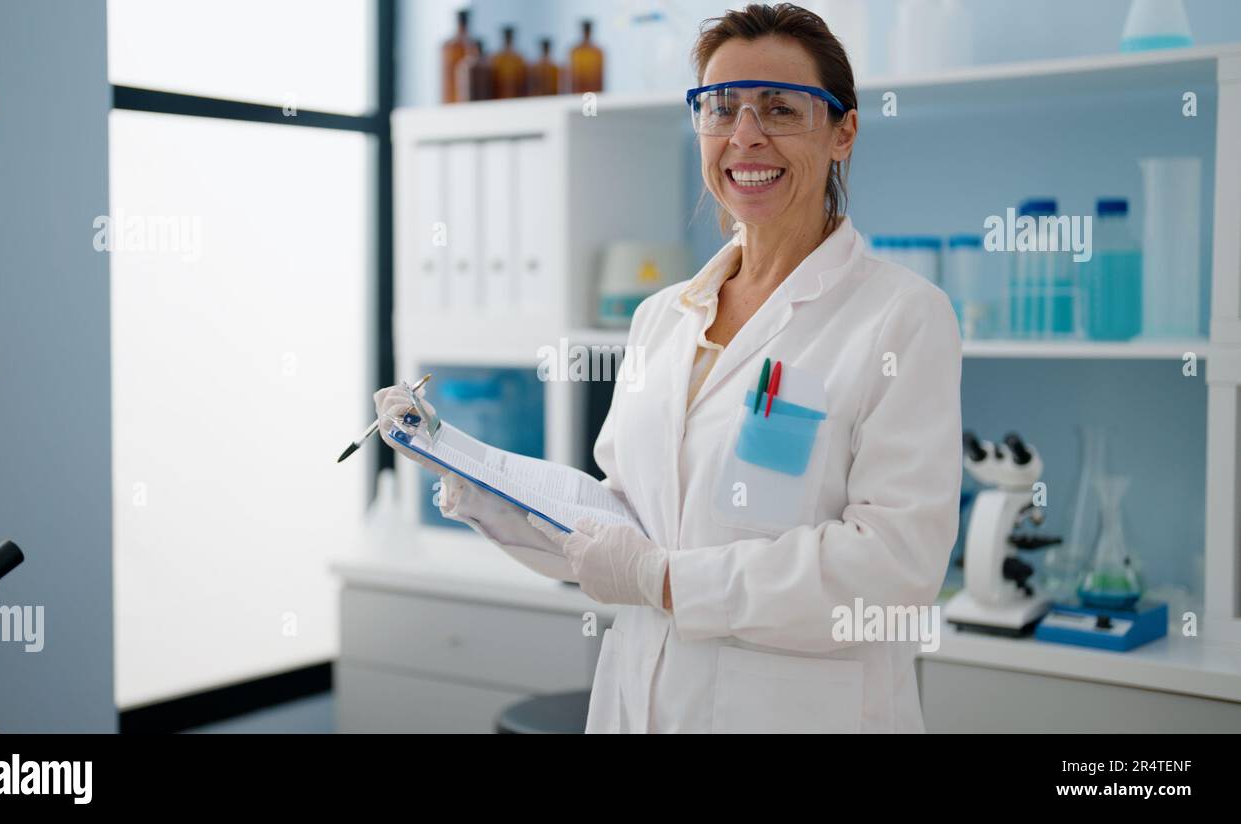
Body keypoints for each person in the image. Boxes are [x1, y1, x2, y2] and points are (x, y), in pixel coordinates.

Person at [375, 2, 962, 733]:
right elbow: (623, 526)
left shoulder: (903, 316)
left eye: (780, 108)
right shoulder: (662, 319)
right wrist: (471, 473)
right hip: (640, 703)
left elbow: (892, 574)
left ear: (842, 131)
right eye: (721, 108)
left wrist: (664, 579)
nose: (745, 135)